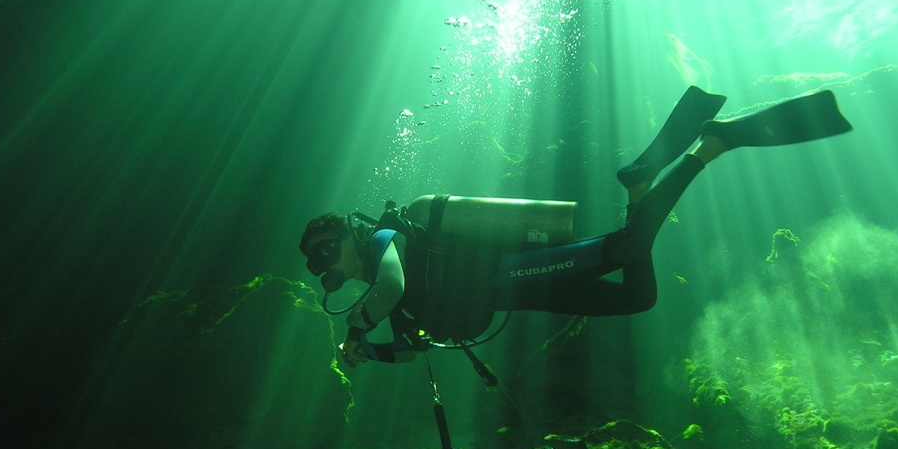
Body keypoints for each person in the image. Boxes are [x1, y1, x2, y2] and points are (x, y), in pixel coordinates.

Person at [299, 88, 851, 367]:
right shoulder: (377, 294)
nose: (323, 265)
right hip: (526, 293)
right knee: (639, 297)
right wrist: (368, 353)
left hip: (516, 270)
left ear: (347, 232)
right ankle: (638, 181)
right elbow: (412, 347)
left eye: (323, 250)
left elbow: (392, 286)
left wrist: (353, 329)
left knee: (630, 245)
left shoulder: (382, 242)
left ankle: (713, 145)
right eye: (314, 262)